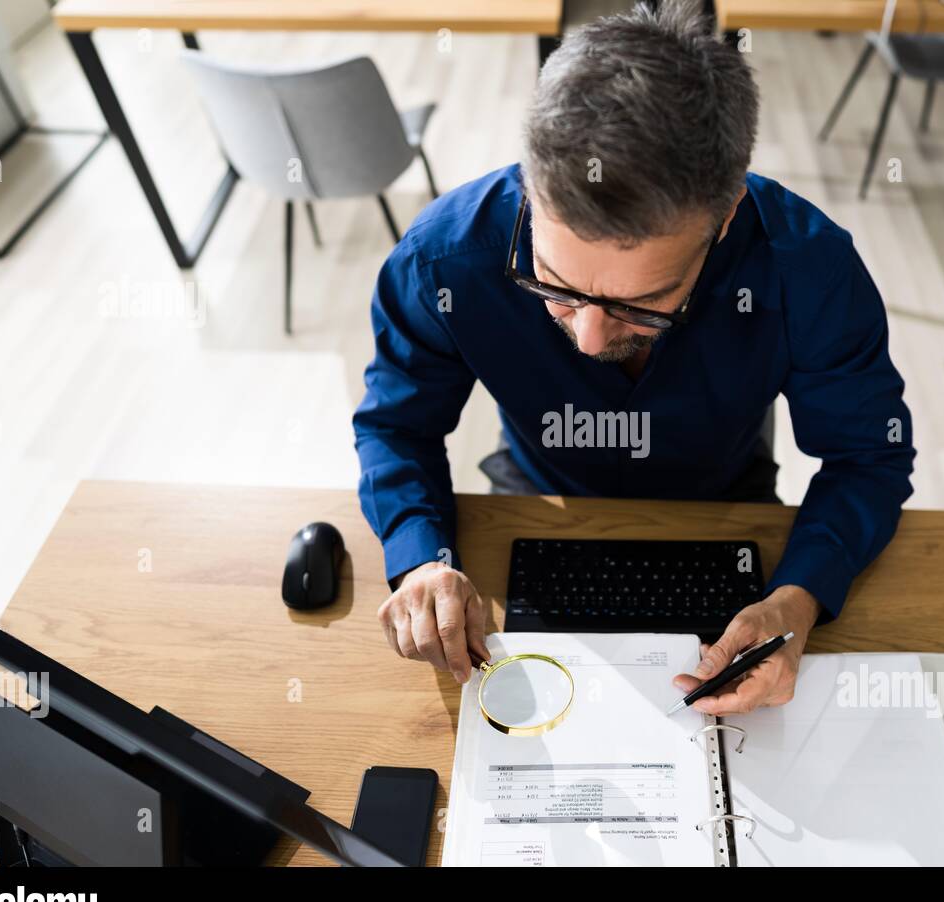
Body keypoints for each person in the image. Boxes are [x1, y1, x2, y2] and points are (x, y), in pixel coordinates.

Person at [353, 1, 915, 716]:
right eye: (554, 286)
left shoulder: (810, 269)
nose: (588, 339)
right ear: (531, 186)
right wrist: (421, 556)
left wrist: (799, 598)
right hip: (537, 500)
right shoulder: (442, 259)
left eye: (641, 304)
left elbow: (870, 457)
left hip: (724, 509)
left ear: (728, 215)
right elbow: (397, 425)